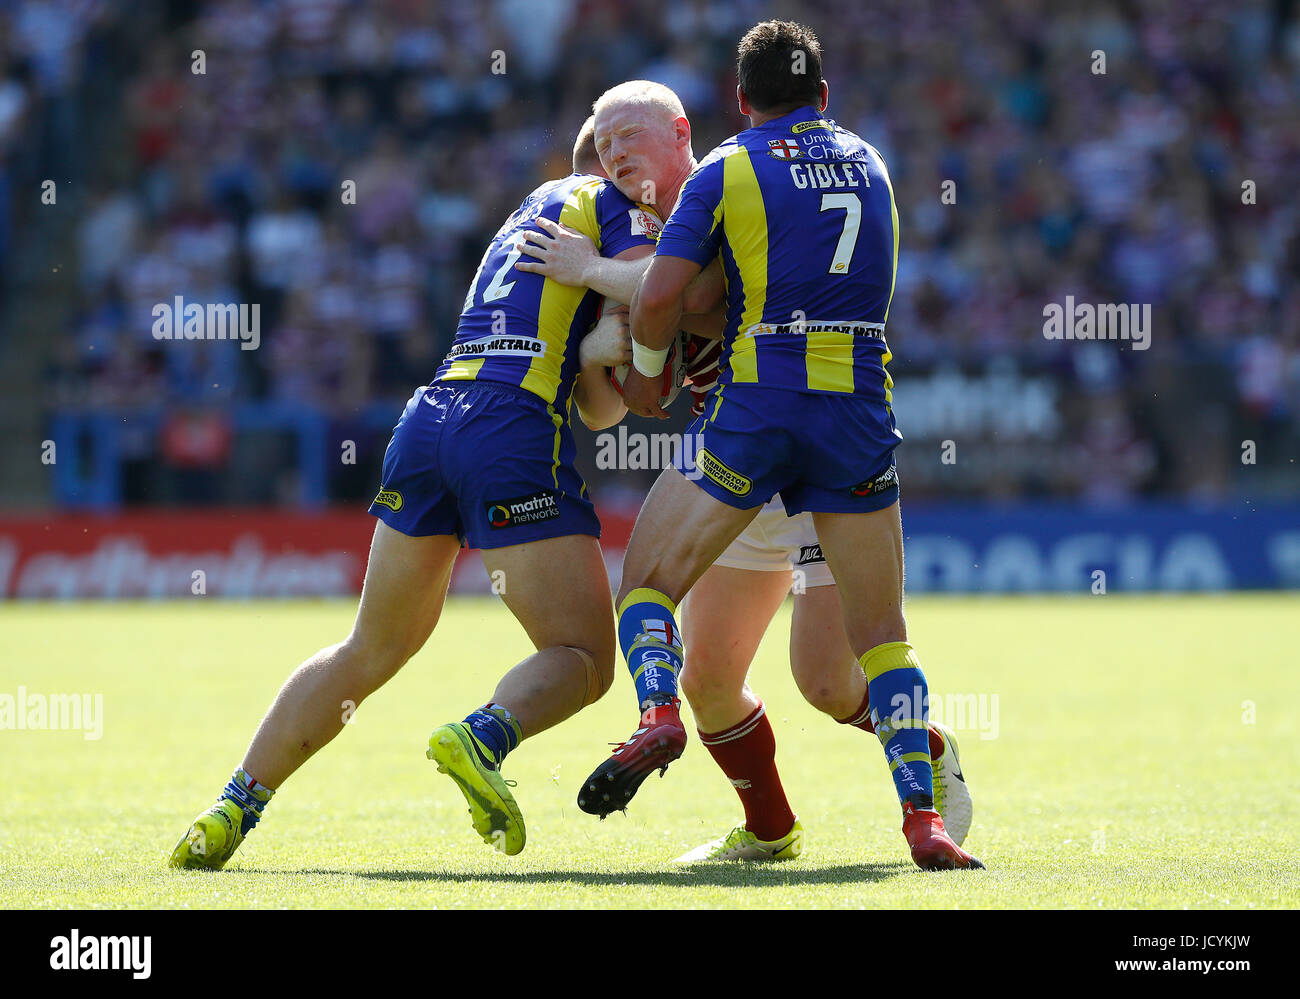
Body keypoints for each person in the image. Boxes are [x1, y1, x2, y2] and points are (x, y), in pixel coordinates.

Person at [169, 130, 668, 868]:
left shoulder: (523, 217)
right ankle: (484, 734)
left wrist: (589, 354)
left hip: (431, 417)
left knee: (369, 646)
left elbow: (596, 406)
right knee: (586, 657)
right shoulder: (614, 204)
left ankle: (233, 804)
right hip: (508, 427)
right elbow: (654, 288)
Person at [580, 19, 983, 870]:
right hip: (855, 419)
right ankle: (906, 821)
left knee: (654, 589)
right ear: (824, 97)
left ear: (734, 104)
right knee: (854, 653)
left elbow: (661, 299)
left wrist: (646, 373)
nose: (616, 156)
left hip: (757, 422)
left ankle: (655, 721)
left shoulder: (726, 170)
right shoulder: (871, 164)